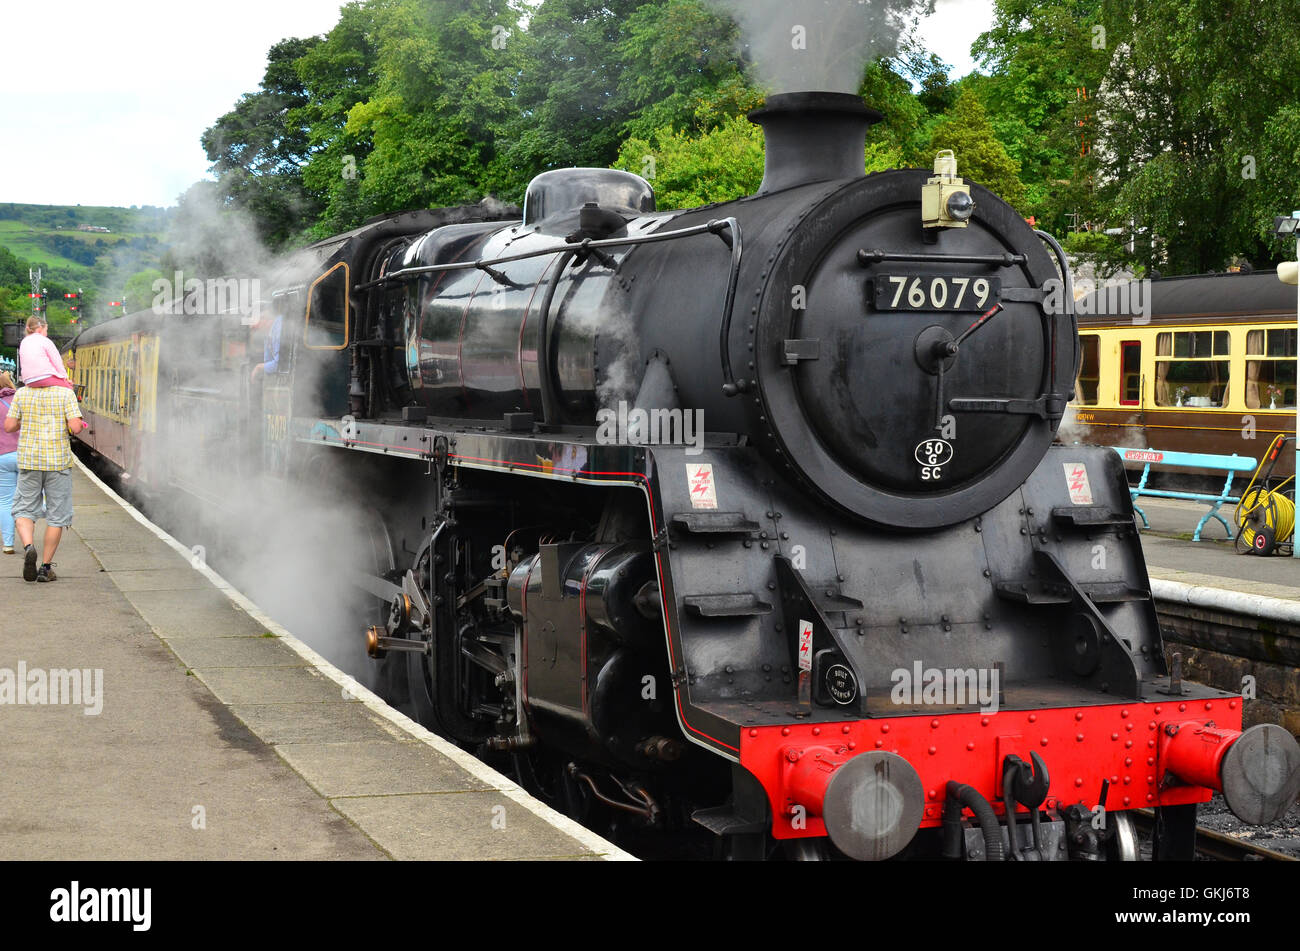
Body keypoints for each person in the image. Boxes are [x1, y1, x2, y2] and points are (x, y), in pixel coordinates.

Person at [3, 375, 85, 582]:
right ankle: (45, 568)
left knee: (23, 509)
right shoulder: (66, 393)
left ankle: (29, 546)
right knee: (57, 515)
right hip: (57, 463)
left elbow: (9, 426)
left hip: (29, 461)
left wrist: (27, 419)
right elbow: (75, 427)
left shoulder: (21, 393)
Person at [18, 316, 75, 391]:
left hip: (28, 380)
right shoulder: (45, 340)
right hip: (45, 377)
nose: (46, 334)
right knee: (69, 388)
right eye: (46, 330)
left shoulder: (23, 342)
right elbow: (57, 362)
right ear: (40, 329)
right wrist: (65, 379)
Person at [0, 372, 17, 555]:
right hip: (25, 455)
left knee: (5, 501)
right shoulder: (19, 398)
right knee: (27, 499)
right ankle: (29, 542)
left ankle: (8, 544)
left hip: (2, 457)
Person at [250, 307, 283, 383]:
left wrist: (258, 367)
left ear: (264, 319)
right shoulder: (267, 333)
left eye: (253, 322)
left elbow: (279, 364)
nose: (251, 327)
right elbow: (268, 361)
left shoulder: (279, 328)